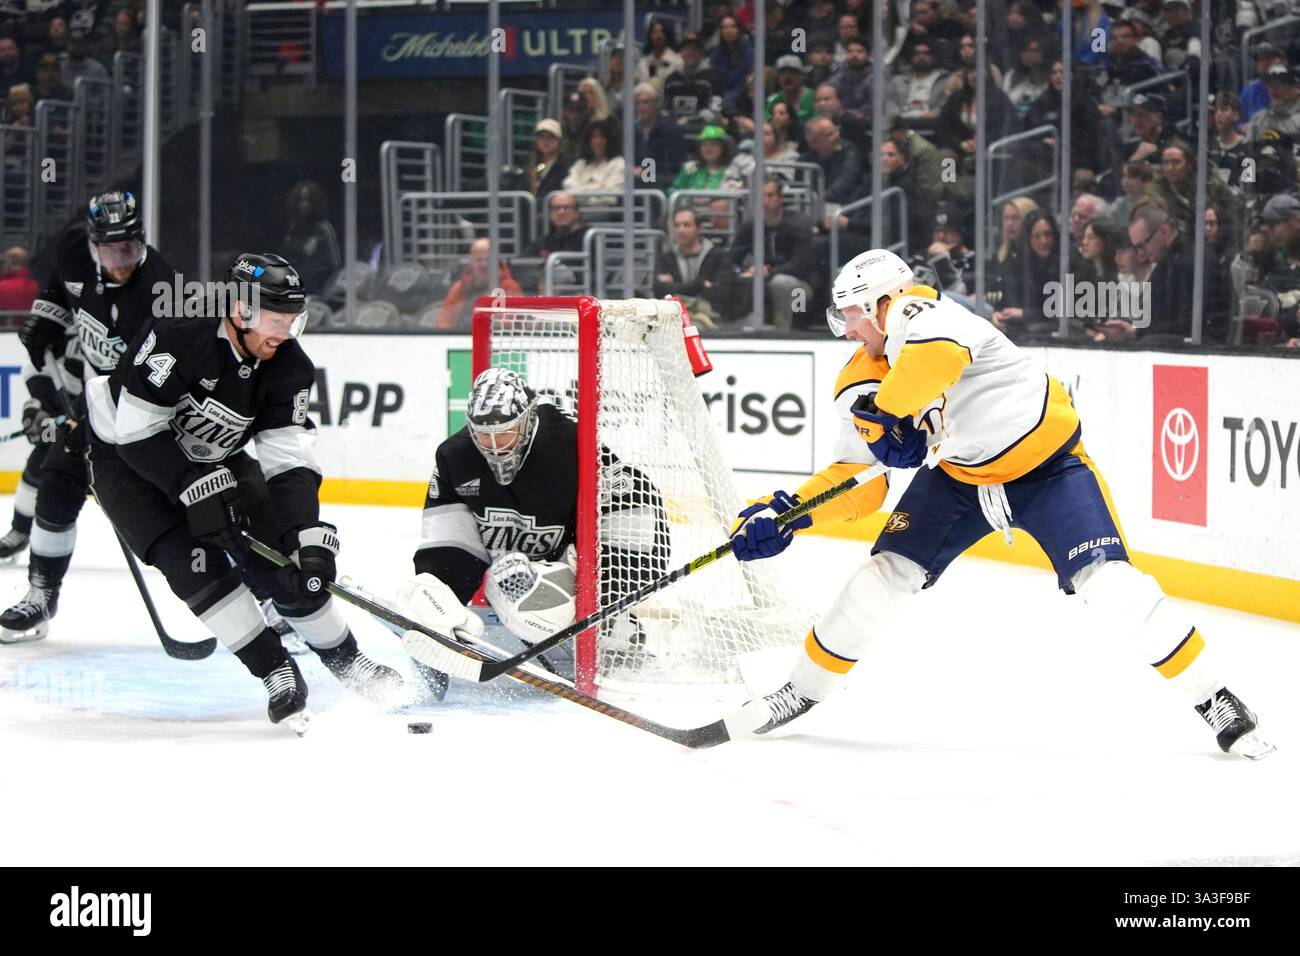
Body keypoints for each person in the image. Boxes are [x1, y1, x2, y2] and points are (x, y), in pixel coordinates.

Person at [723, 248, 1274, 762]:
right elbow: (858, 482)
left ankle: (1215, 697)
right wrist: (792, 512)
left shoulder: (929, 315)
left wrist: (892, 411)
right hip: (958, 481)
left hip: (1048, 471)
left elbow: (933, 362)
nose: (845, 330)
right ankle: (800, 692)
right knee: (879, 578)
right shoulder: (858, 379)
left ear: (882, 305)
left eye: (851, 315)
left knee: (1113, 586)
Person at [85, 253, 404, 731]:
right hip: (127, 459)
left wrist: (302, 530)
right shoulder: (178, 332)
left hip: (217, 456)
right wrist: (193, 488)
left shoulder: (289, 367)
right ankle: (274, 668)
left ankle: (347, 662)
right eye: (276, 319)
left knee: (283, 555)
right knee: (194, 566)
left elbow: (288, 455)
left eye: (292, 320)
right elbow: (136, 431)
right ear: (239, 310)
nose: (285, 331)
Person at [395, 368, 668, 679]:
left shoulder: (570, 446)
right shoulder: (455, 458)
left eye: (505, 432)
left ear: (526, 421)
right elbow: (450, 543)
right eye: (484, 434)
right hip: (510, 576)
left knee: (528, 593)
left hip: (574, 571)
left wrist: (599, 596)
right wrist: (442, 601)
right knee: (427, 593)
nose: (495, 445)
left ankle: (609, 632)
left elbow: (637, 517)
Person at [1, 192, 178, 643]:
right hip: (95, 406)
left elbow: (159, 379)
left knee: (189, 515)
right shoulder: (73, 251)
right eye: (111, 250)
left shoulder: (161, 290)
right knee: (57, 487)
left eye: (130, 249)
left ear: (142, 240)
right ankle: (42, 595)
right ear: (94, 244)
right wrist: (46, 317)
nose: (121, 261)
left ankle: (271, 604)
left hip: (150, 416)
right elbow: (61, 288)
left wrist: (95, 413)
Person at [728, 175, 818, 330]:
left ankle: (783, 335)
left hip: (801, 286)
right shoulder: (752, 226)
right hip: (765, 280)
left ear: (780, 198)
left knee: (781, 283)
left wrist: (768, 272)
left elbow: (800, 267)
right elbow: (732, 257)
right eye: (761, 196)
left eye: (770, 195)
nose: (765, 201)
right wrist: (744, 271)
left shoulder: (799, 224)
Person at [653, 207, 727, 327]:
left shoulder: (717, 256)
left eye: (686, 225)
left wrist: (675, 288)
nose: (681, 230)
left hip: (709, 317)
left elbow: (719, 293)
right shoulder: (666, 258)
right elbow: (659, 289)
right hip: (674, 319)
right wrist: (700, 285)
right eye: (677, 225)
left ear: (699, 229)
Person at [435, 238, 523, 331]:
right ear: (471, 262)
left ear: (496, 261)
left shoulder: (510, 287)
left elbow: (510, 326)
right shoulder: (460, 288)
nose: (484, 264)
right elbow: (443, 323)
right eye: (479, 260)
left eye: (488, 259)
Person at [280, 180, 341, 295]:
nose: (305, 205)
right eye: (301, 201)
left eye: (308, 200)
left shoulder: (323, 229)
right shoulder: (293, 230)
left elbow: (335, 263)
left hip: (319, 293)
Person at [562, 118, 626, 196]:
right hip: (577, 207)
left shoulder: (618, 162)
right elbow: (568, 187)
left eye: (602, 136)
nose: (598, 141)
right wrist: (598, 187)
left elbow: (610, 196)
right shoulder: (581, 164)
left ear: (609, 140)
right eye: (594, 137)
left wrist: (580, 189)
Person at [526, 118, 571, 206]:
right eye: (542, 137)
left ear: (559, 141)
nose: (545, 141)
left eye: (551, 137)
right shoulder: (538, 165)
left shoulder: (565, 165)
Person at [0, 243, 37, 313]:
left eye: (5, 263)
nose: (3, 267)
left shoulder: (3, 286)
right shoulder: (35, 285)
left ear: (11, 263)